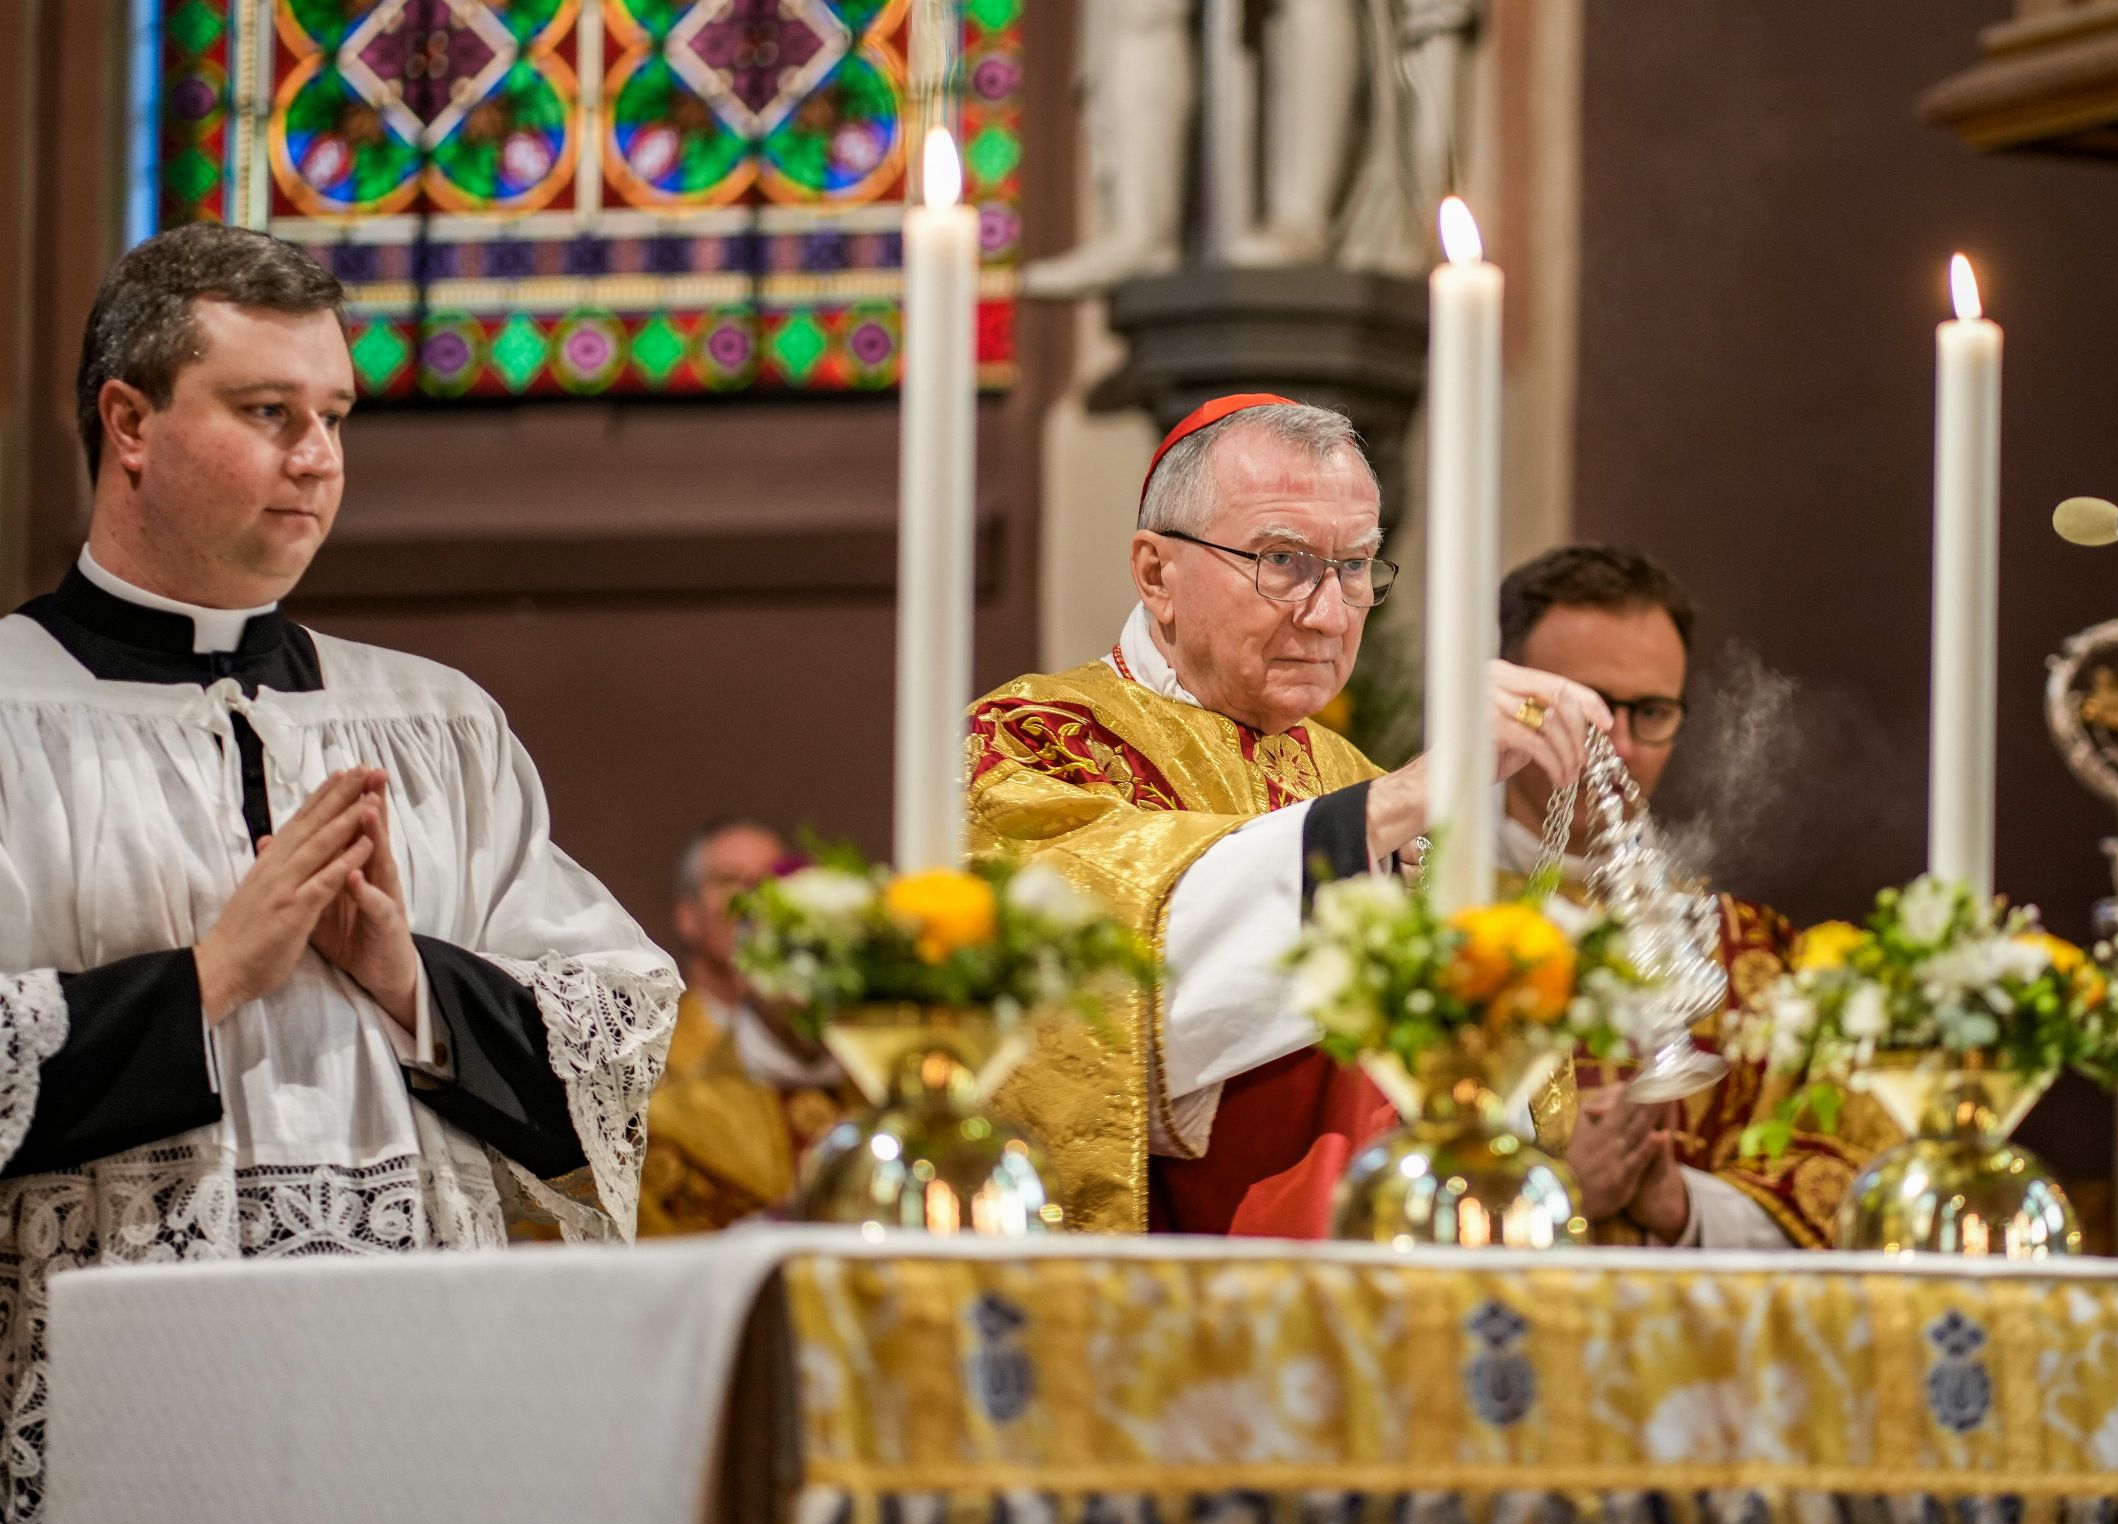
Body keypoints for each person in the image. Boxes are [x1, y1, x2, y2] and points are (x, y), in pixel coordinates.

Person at [0, 224, 679, 1524]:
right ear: (129, 423)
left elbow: (620, 1052)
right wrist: (201, 982)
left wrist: (410, 975)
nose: (317, 456)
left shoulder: (434, 723)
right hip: (113, 1407)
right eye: (267, 414)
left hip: (412, 1404)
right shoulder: (12, 717)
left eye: (333, 416)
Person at [967, 395, 1611, 1232]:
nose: (1330, 614)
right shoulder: (1035, 740)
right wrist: (1393, 810)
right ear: (1157, 572)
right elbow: (1090, 992)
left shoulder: (1352, 774)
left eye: (1354, 567)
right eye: (1283, 560)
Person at [1494, 545, 1883, 1249]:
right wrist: (1543, 1180)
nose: (1616, 741)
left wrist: (1681, 1203)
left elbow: (1851, 1175)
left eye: (1649, 710)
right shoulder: (1415, 913)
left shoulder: (1749, 954)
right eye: (1580, 705)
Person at [639, 817, 861, 1234]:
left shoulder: (861, 1074)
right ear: (687, 916)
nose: (758, 900)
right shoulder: (648, 1058)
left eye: (771, 880)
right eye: (730, 881)